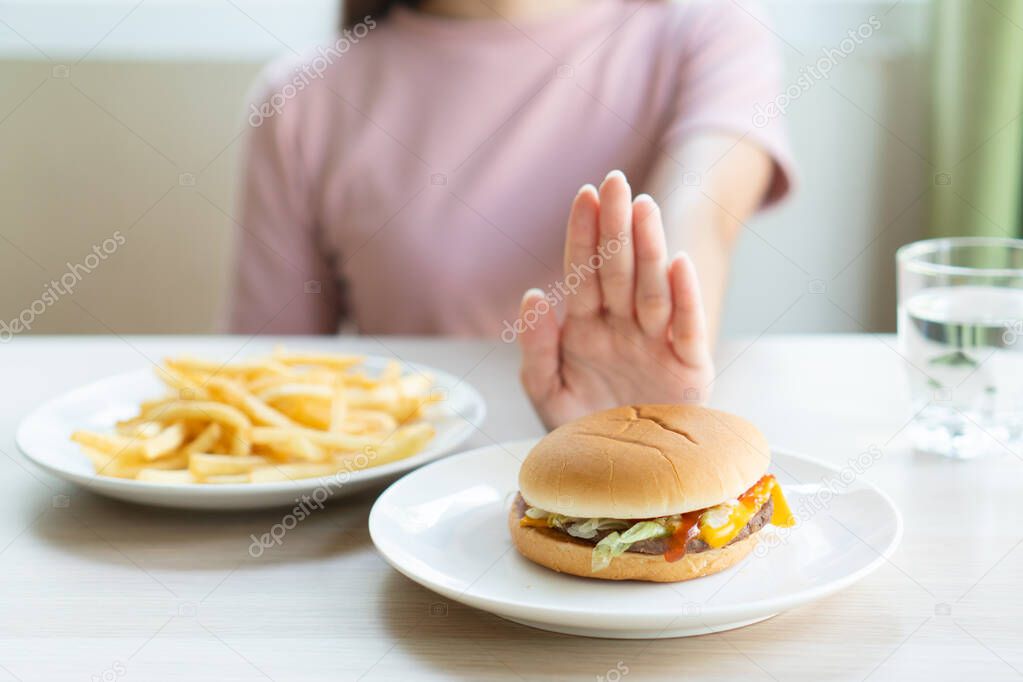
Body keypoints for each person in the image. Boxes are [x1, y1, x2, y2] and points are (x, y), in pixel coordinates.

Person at [228, 0, 793, 429]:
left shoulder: (708, 35)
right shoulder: (301, 97)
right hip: (393, 512)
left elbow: (698, 215)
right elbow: (269, 386)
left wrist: (640, 391)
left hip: (628, 457)